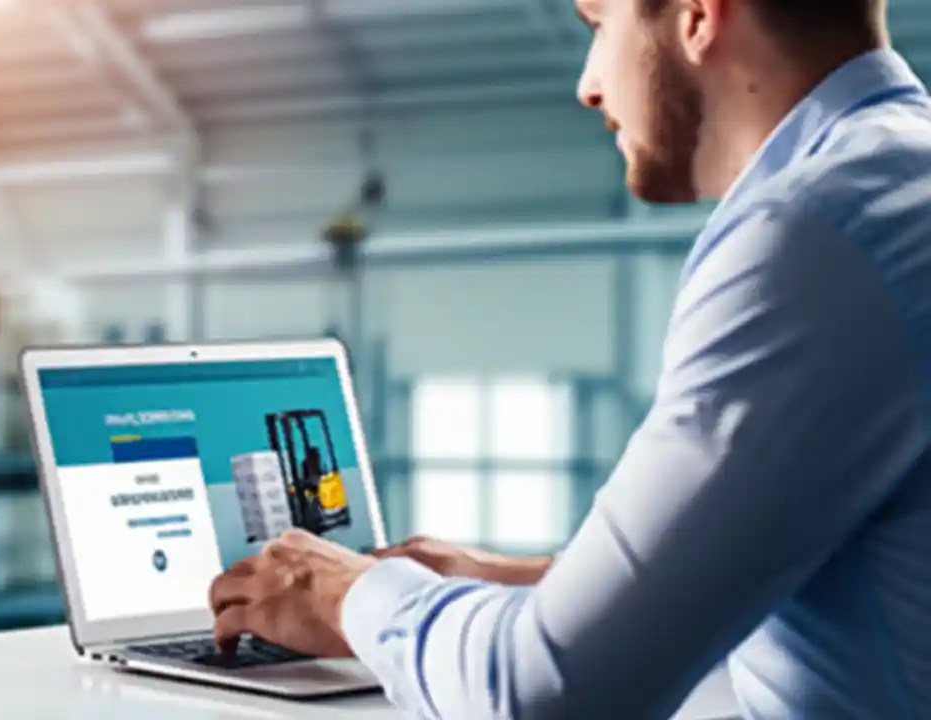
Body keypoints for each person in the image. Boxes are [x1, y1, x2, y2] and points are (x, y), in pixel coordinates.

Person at [208, 0, 931, 716]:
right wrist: (512, 582)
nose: (588, 84)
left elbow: (543, 695)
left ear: (699, 17)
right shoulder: (896, 183)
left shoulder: (815, 233)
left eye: (599, 24)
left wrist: (344, 596)